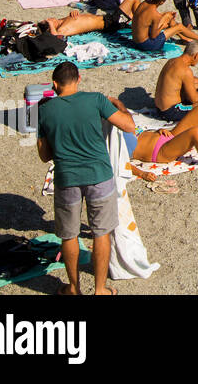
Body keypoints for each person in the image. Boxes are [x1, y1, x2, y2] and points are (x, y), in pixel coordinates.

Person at [36, 62, 140, 296]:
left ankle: (73, 288)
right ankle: (100, 289)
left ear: (55, 84)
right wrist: (118, 106)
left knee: (69, 235)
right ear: (79, 79)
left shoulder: (45, 110)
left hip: (67, 178)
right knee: (100, 233)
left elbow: (44, 155)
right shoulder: (96, 100)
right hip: (99, 176)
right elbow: (129, 126)